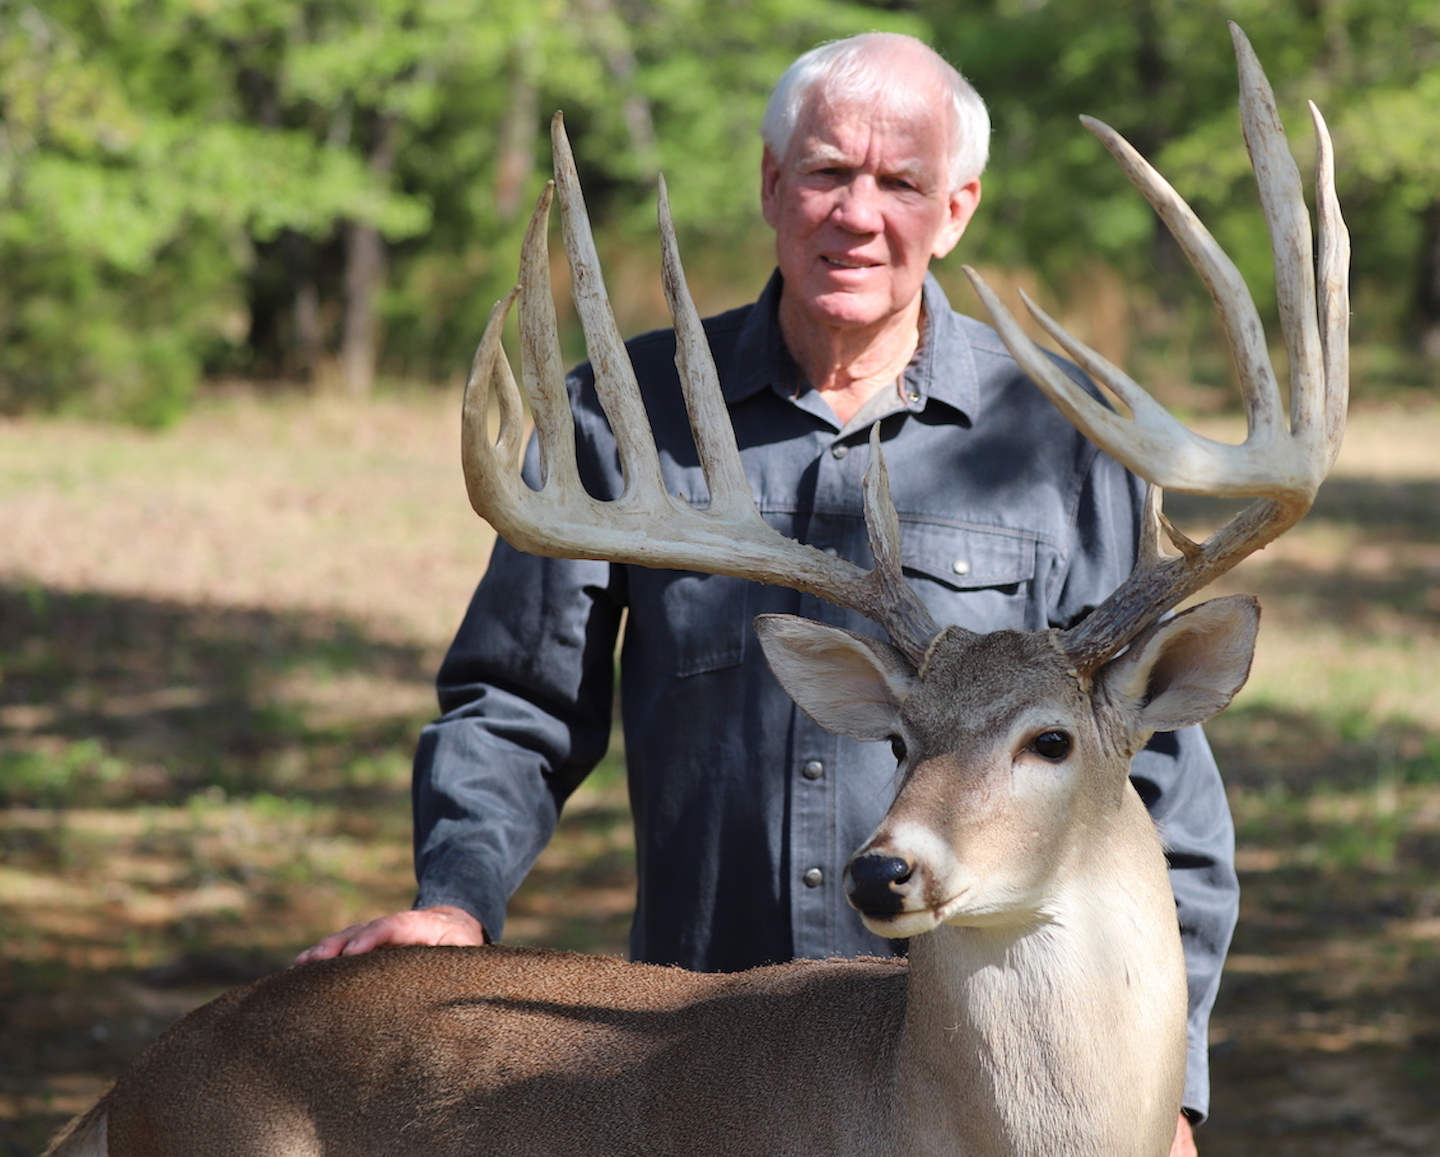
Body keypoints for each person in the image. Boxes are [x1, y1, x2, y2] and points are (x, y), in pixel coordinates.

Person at [299, 32, 1235, 1156]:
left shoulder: (1068, 438)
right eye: (830, 173)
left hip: (966, 1080)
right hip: (696, 1069)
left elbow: (1158, 786)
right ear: (771, 183)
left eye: (900, 183)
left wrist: (1167, 1099)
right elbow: (519, 699)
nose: (858, 214)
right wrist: (454, 896)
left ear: (957, 209)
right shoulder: (621, 416)